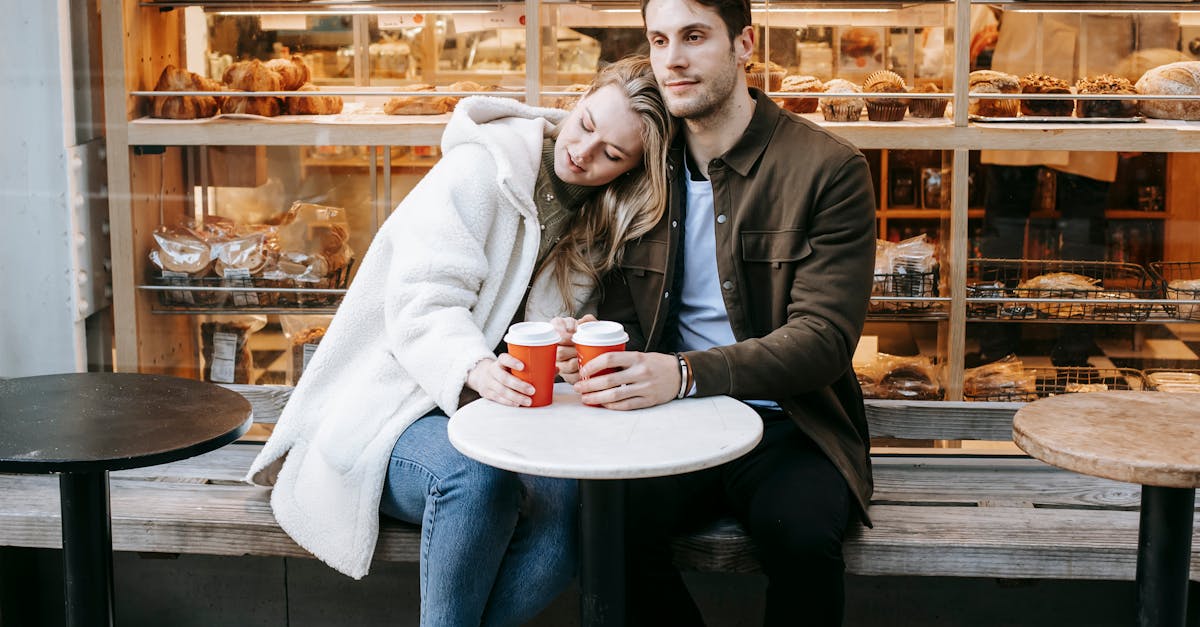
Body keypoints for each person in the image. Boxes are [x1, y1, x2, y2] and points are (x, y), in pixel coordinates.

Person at [244, 56, 673, 627]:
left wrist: (568, 342)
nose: (584, 152)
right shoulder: (480, 170)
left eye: (611, 155)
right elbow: (422, 300)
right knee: (475, 479)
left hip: (501, 415)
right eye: (586, 124)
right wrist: (472, 364)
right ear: (578, 100)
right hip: (395, 406)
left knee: (575, 500)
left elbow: (545, 327)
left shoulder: (599, 218)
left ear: (632, 170)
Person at [554, 0, 877, 623]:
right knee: (602, 529)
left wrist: (682, 373)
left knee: (803, 535)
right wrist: (590, 341)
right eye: (658, 39)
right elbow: (621, 308)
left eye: (694, 36)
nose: (672, 59)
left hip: (791, 424)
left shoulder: (828, 170)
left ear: (745, 45)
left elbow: (823, 339)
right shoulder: (642, 162)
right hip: (667, 423)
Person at [971, 11, 1179, 366]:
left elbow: (1155, 14)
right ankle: (995, 345)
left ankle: (1075, 349)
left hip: (1096, 75)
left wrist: (1140, 100)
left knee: (1084, 225)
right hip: (1026, 61)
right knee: (1003, 223)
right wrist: (981, 21)